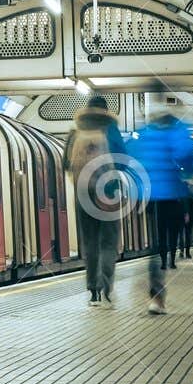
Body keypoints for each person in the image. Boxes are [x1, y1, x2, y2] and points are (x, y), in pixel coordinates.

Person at [132, 94, 193, 314]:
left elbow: (131, 157)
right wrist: (187, 170)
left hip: (150, 199)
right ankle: (161, 288)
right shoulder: (177, 130)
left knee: (157, 245)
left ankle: (156, 297)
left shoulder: (144, 133)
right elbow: (187, 156)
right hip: (172, 197)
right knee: (169, 239)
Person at [64, 95, 127, 309]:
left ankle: (93, 290)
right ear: (106, 110)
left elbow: (66, 163)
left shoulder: (75, 132)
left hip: (83, 193)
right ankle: (106, 286)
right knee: (108, 242)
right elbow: (123, 161)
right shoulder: (110, 129)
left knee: (90, 242)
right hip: (107, 192)